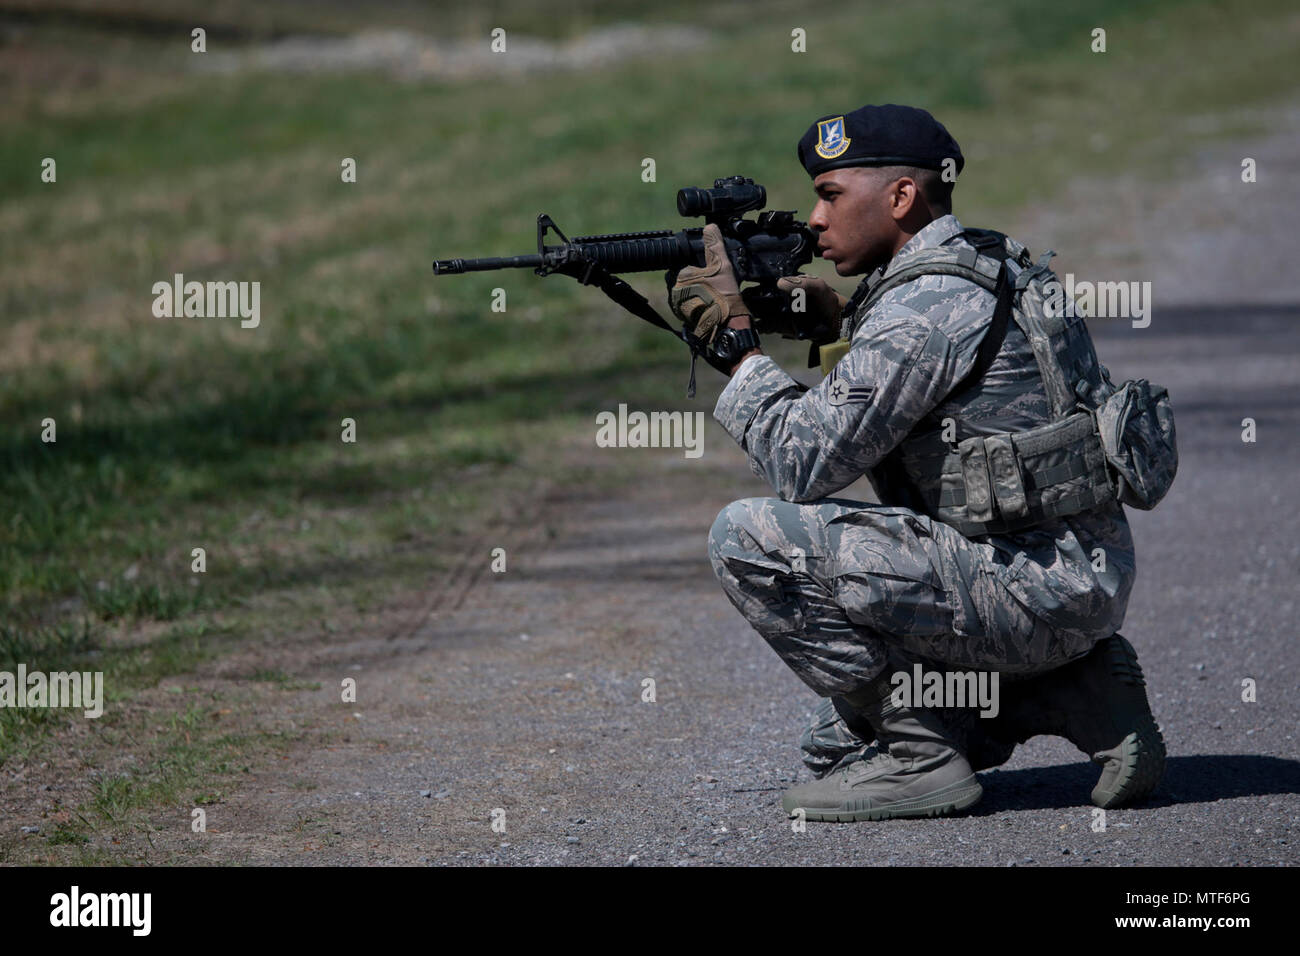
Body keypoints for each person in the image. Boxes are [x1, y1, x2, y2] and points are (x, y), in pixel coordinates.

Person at [667, 104, 1166, 822]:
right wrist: (840, 320)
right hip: (1075, 576)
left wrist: (737, 352)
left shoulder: (923, 308)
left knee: (748, 540)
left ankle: (922, 761)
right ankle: (1080, 690)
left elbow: (802, 462)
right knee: (830, 745)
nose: (814, 218)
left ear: (901, 198)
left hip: (1024, 588)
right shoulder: (989, 263)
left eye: (832, 195)